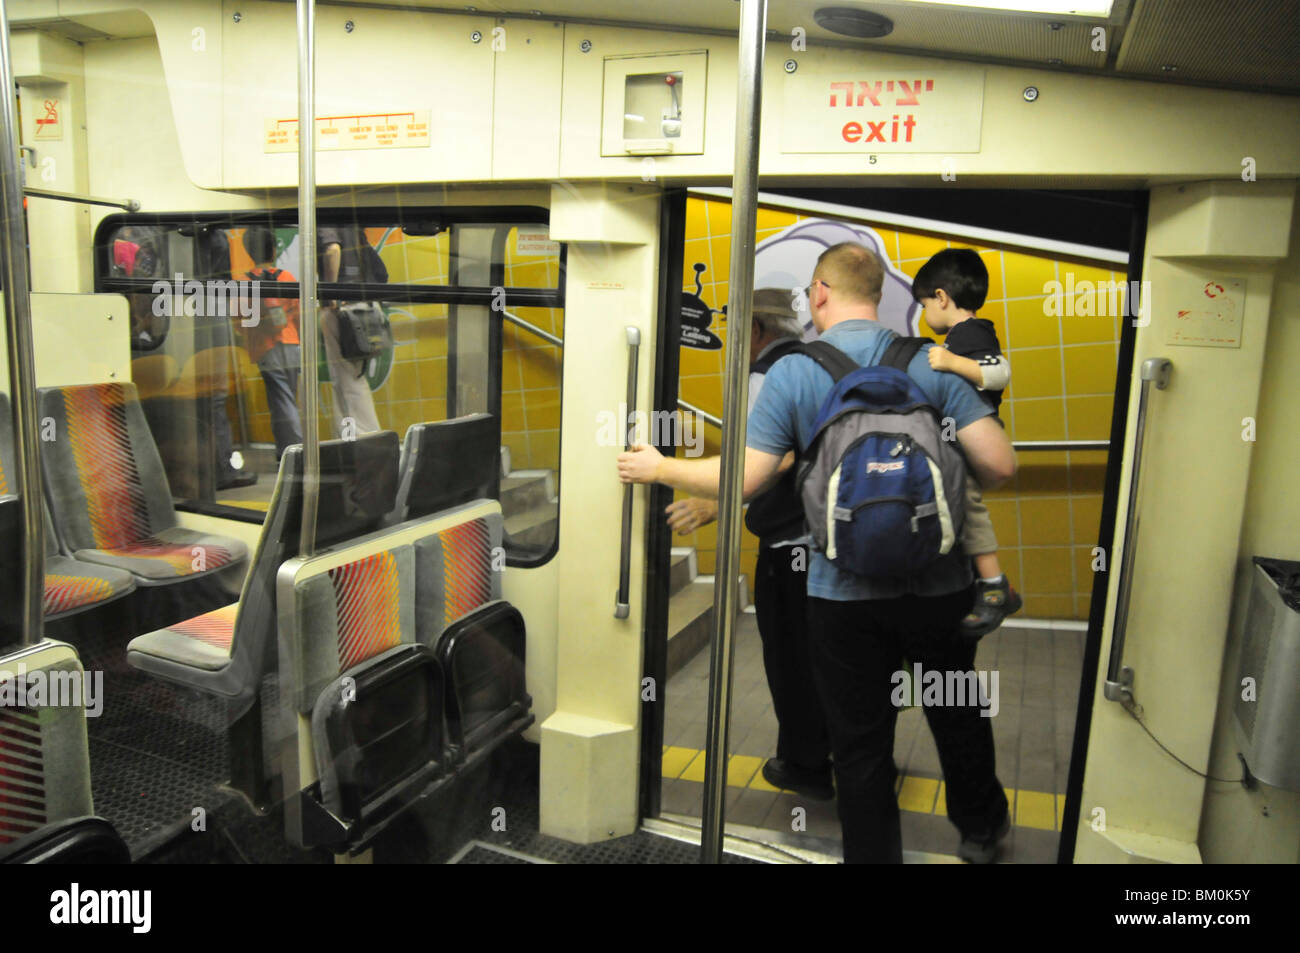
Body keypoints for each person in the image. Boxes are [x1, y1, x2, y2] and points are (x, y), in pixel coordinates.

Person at [619, 242, 1016, 863]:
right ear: (880, 294)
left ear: (821, 293)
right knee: (955, 709)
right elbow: (999, 464)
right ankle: (983, 829)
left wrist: (659, 466)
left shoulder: (794, 372)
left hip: (841, 594)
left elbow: (748, 479)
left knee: (860, 745)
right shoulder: (934, 363)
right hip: (939, 588)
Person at [668, 289, 832, 800]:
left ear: (756, 330)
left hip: (790, 545)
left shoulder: (766, 376)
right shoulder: (819, 365)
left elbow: (773, 458)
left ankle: (805, 765)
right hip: (832, 540)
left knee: (791, 660)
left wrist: (715, 505)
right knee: (829, 657)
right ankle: (848, 755)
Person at [912, 248, 1022, 636]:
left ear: (941, 297)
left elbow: (1000, 372)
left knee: (969, 506)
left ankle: (996, 589)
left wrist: (949, 362)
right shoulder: (963, 336)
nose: (926, 314)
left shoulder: (971, 334)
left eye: (925, 304)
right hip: (959, 435)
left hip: (976, 435)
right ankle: (980, 580)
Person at [240, 226, 303, 461]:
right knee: (286, 400)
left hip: (266, 348)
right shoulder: (286, 277)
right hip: (291, 343)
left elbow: (241, 319)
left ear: (249, 251)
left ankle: (295, 452)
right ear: (274, 249)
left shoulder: (245, 281)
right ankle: (283, 451)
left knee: (280, 401)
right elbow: (297, 312)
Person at [318, 225, 383, 437]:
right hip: (364, 305)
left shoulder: (327, 219)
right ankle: (348, 436)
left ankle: (365, 437)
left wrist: (331, 292)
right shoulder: (354, 224)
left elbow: (333, 250)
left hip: (343, 309)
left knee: (347, 379)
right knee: (352, 376)